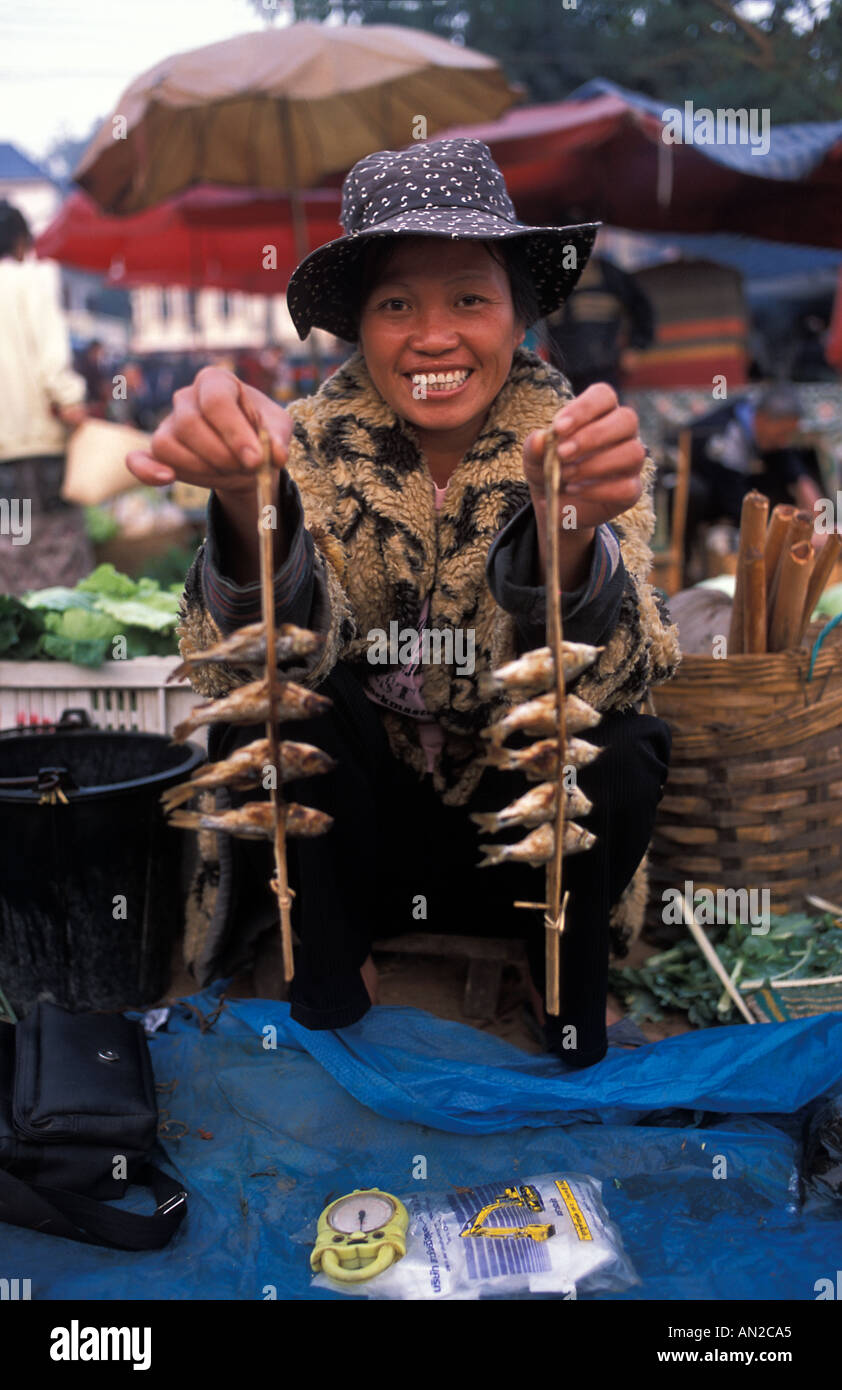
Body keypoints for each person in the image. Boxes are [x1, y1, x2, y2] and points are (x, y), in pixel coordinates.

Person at [127, 139, 680, 1068]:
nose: (433, 336)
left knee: (626, 744)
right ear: (356, 328)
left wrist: (570, 532)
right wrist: (243, 500)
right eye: (396, 304)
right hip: (357, 849)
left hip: (517, 846)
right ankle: (337, 983)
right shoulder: (301, 442)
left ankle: (561, 988)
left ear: (520, 316)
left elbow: (621, 672)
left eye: (470, 297)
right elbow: (260, 654)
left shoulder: (584, 440)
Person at [0, 200, 91, 595]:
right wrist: (71, 400)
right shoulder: (32, 279)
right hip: (42, 445)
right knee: (57, 543)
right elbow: (52, 359)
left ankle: (18, 639)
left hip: (3, 455)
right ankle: (60, 638)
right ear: (22, 242)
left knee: (12, 544)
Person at [683, 384, 826, 573]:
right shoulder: (727, 437)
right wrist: (789, 536)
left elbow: (795, 474)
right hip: (705, 492)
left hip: (736, 485)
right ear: (762, 420)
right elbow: (737, 502)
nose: (784, 440)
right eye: (783, 433)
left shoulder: (762, 422)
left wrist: (820, 520)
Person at [543, 253, 655, 396]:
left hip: (602, 370)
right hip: (561, 374)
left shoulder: (606, 272)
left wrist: (636, 346)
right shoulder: (549, 276)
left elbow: (642, 309)